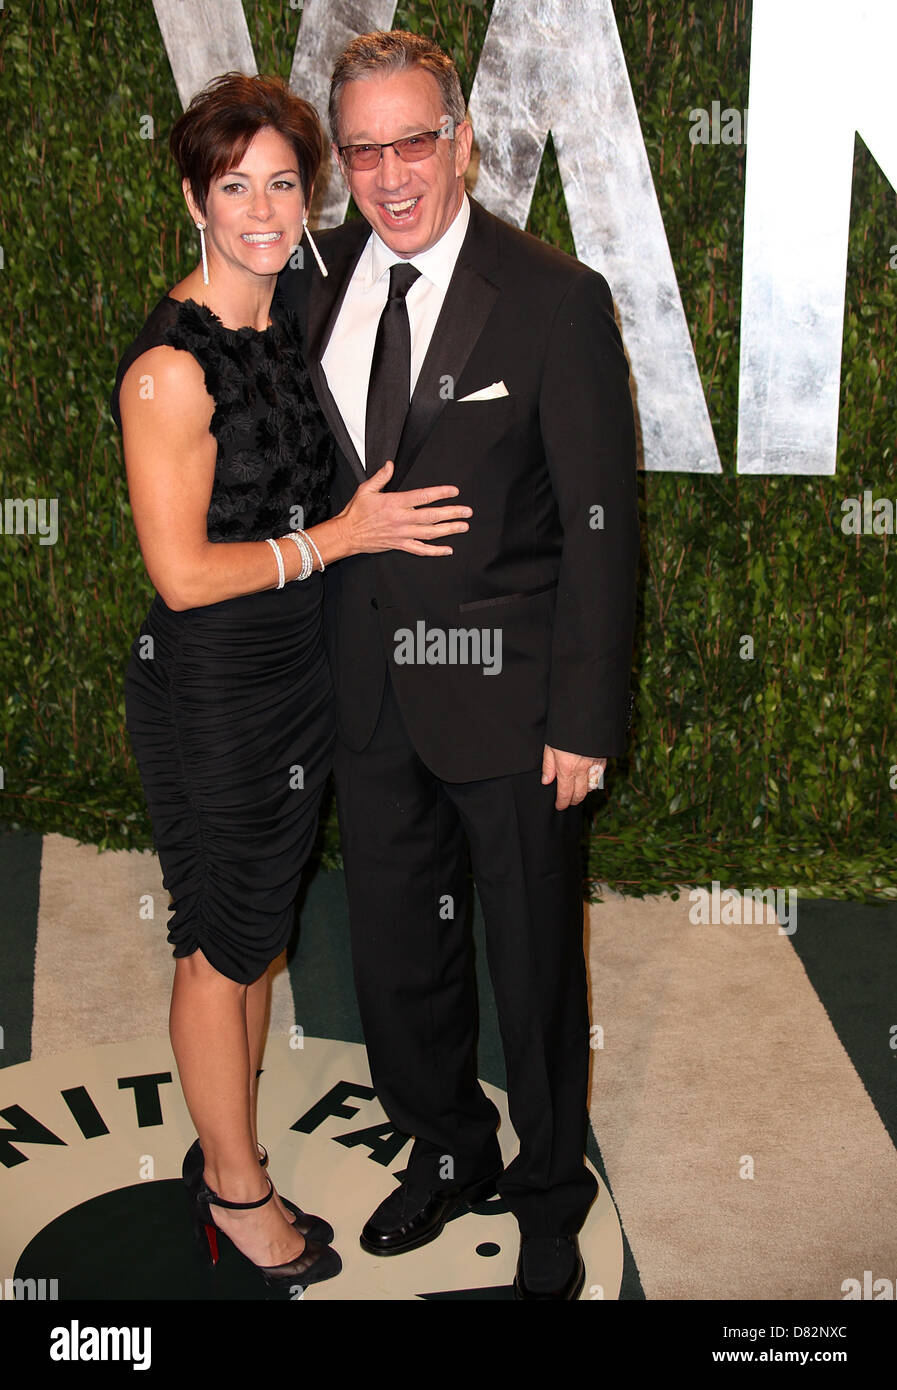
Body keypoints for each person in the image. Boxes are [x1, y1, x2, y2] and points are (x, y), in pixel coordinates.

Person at [275, 30, 639, 1300]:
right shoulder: (313, 276)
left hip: (512, 691)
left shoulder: (551, 298)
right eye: (362, 149)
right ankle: (447, 1147)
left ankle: (549, 1190)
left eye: (412, 140)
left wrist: (583, 716)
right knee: (395, 949)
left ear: (462, 140)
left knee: (531, 959)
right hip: (367, 692)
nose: (389, 173)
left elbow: (602, 522)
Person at [110, 71, 472, 1294]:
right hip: (217, 681)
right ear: (192, 197)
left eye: (283, 181)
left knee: (257, 937)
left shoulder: (294, 311)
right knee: (222, 945)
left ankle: (229, 1146)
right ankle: (233, 1187)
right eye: (236, 185)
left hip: (301, 669)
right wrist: (338, 541)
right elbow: (180, 574)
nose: (264, 208)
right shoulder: (170, 368)